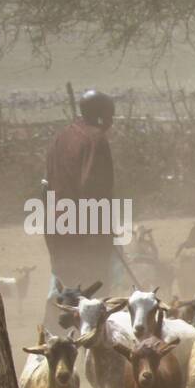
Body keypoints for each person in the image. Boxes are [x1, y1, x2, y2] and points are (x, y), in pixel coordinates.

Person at [43, 89, 116, 319]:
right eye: (109, 115)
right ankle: (88, 342)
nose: (111, 121)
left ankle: (54, 332)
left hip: (56, 226)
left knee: (65, 285)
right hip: (85, 231)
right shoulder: (95, 139)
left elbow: (45, 184)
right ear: (102, 116)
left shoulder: (62, 136)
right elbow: (93, 187)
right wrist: (100, 230)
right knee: (94, 289)